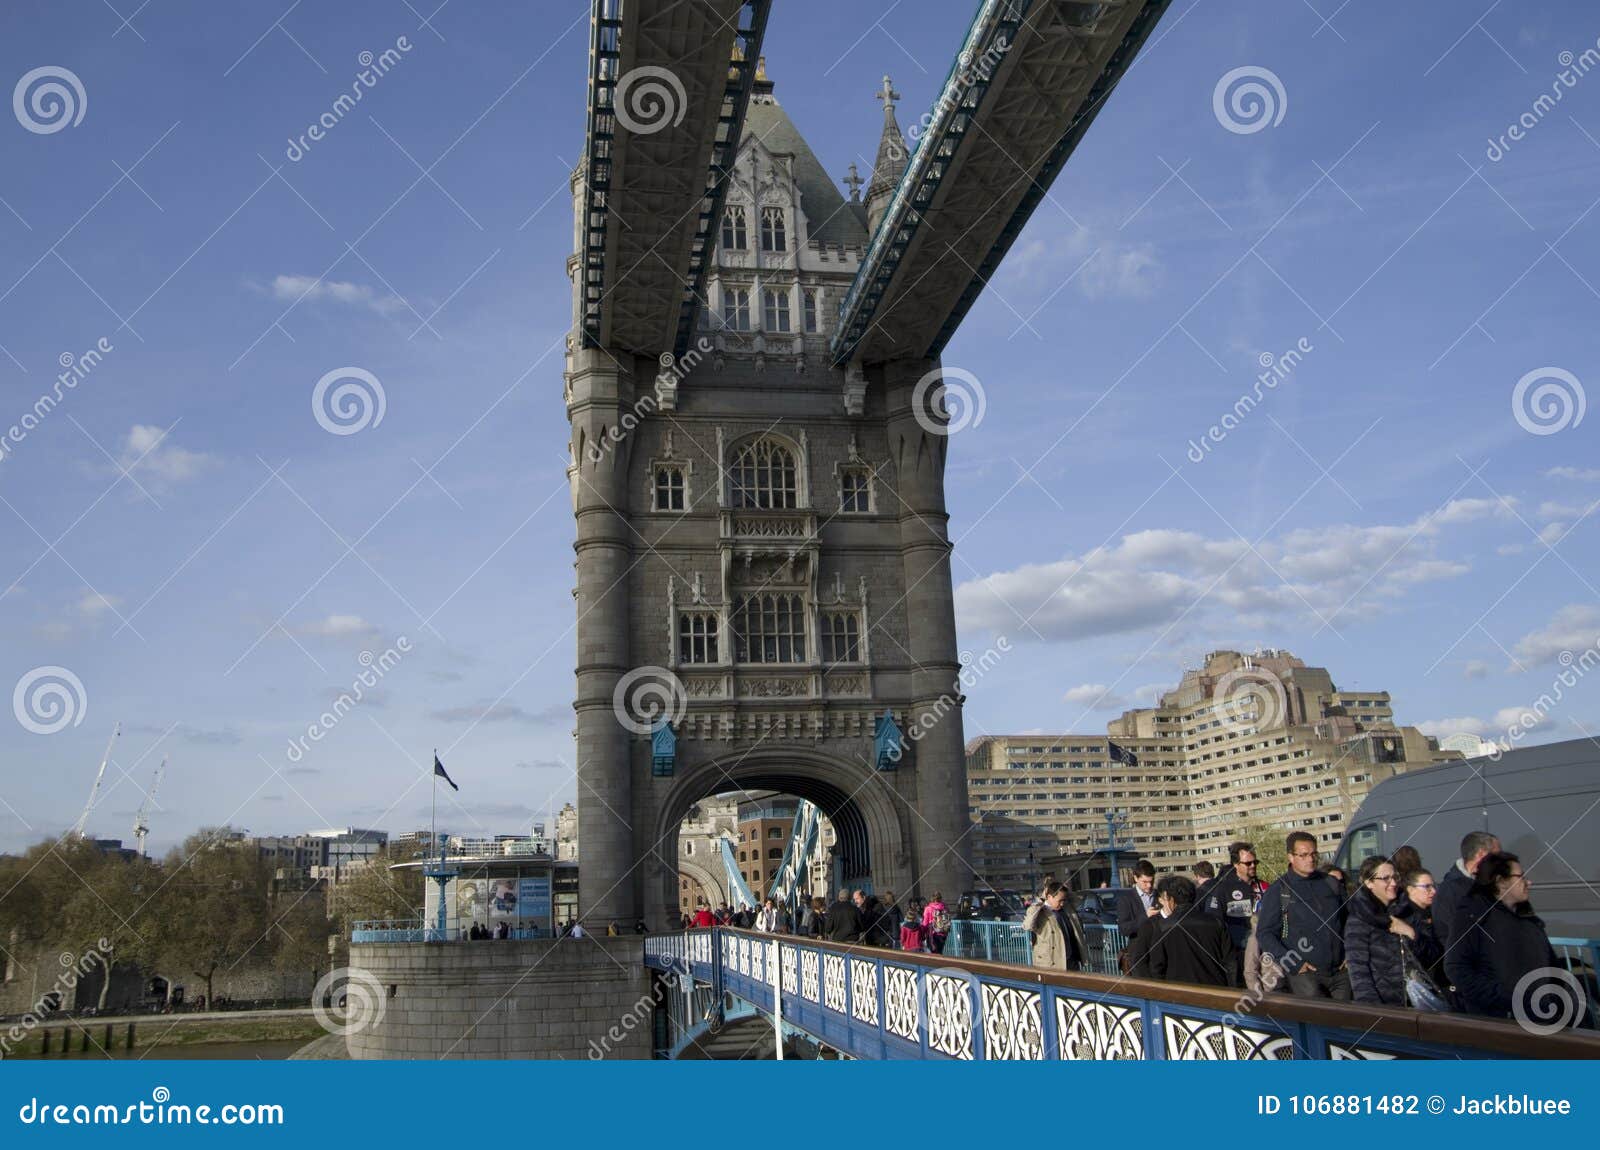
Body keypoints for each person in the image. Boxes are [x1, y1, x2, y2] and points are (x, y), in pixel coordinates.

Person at [1447, 852, 1568, 1021]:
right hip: (1499, 1023)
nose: (1529, 882)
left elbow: (1552, 965)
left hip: (1543, 1017)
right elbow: (1457, 968)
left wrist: (1557, 1000)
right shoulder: (1472, 915)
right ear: (1500, 881)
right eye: (1521, 877)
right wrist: (1507, 998)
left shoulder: (1528, 917)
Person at [1255, 831, 1350, 999]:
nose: (1311, 859)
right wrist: (1294, 964)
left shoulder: (1331, 883)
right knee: (1316, 1022)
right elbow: (1265, 933)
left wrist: (1350, 952)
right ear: (1290, 857)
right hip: (1305, 975)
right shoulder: (1279, 890)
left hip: (1341, 973)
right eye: (1304, 855)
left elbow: (1349, 920)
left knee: (1347, 1024)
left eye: (1314, 854)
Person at [1344, 856, 1436, 1007]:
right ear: (1369, 882)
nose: (1393, 883)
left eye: (1395, 877)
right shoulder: (1359, 919)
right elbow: (1358, 971)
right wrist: (1375, 1011)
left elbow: (1432, 955)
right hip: (1384, 1006)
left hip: (1418, 1001)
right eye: (1386, 878)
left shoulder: (1408, 911)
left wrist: (1411, 933)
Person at [1147, 876, 1237, 987]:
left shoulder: (1162, 926)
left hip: (1179, 992)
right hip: (1216, 989)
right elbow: (1230, 962)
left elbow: (1157, 967)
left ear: (1171, 899)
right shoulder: (1216, 922)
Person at [1202, 841, 1267, 984]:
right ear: (1236, 864)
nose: (1253, 866)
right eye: (1248, 863)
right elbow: (1213, 922)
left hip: (1265, 952)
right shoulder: (1222, 889)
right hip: (1237, 954)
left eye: (1255, 862)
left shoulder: (1264, 887)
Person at [1434, 830, 1500, 949]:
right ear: (1481, 854)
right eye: (1497, 856)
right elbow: (1449, 936)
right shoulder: (1449, 891)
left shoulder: (1489, 883)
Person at [1397, 869, 1450, 1001]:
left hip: (1439, 982)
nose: (1433, 891)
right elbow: (1425, 956)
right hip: (1421, 987)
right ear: (1411, 889)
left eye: (1434, 886)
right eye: (1427, 887)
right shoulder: (1404, 917)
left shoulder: (1434, 912)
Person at [1022, 880, 1087, 970]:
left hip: (1070, 960)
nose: (1062, 903)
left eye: (1064, 900)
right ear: (1049, 897)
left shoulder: (1067, 908)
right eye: (1060, 901)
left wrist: (1066, 890)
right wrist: (1040, 900)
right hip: (1049, 963)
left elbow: (1078, 901)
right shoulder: (1039, 911)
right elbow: (1028, 926)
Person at [1116, 861, 1159, 942]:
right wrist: (1146, 916)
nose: (1149, 885)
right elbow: (1123, 929)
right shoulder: (1125, 899)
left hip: (1160, 947)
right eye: (1145, 882)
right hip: (1139, 950)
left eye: (1151, 881)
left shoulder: (1160, 895)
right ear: (1136, 878)